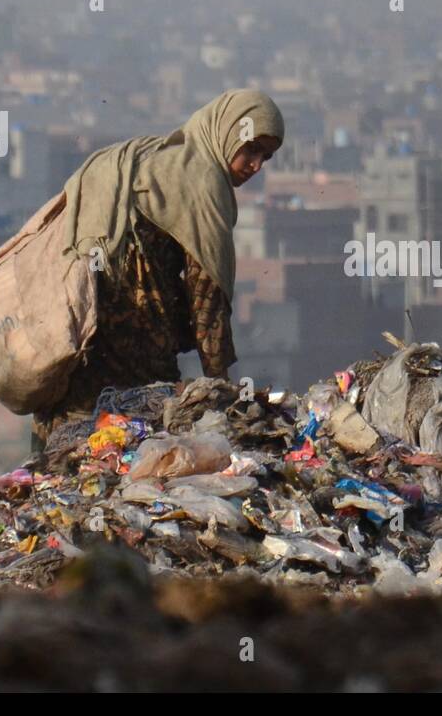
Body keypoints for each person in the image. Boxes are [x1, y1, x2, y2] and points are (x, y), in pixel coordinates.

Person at [29, 88, 283, 452]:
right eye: (252, 149)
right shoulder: (202, 182)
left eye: (266, 157)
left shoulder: (156, 155)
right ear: (228, 132)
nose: (256, 165)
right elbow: (206, 292)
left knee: (70, 433)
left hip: (74, 320)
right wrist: (221, 388)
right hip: (131, 332)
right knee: (138, 432)